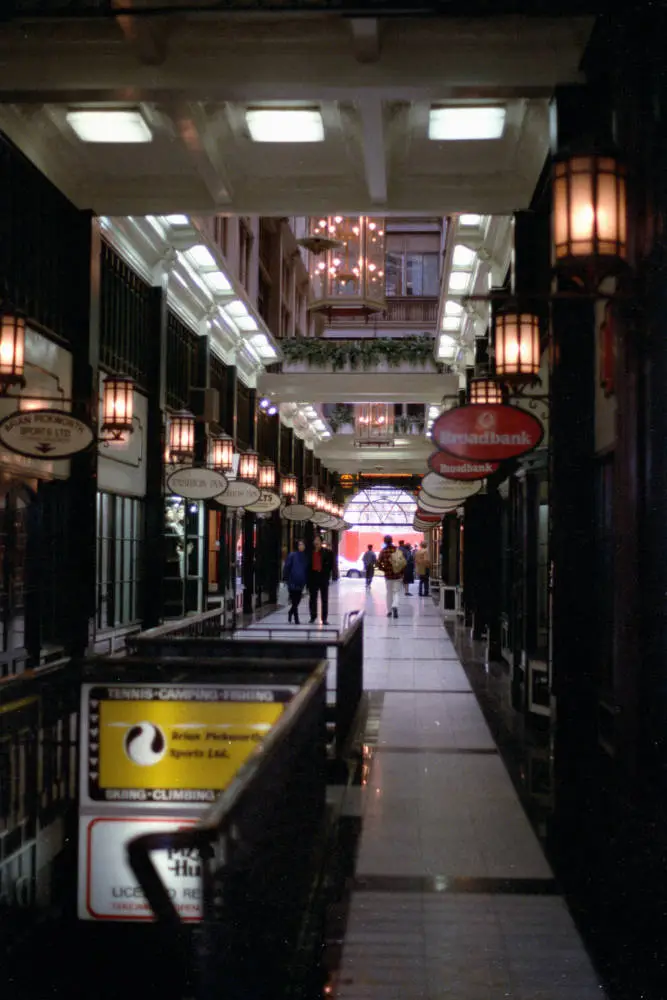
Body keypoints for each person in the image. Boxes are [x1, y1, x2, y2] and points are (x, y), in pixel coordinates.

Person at [378, 534, 405, 619]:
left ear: (384, 541)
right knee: (396, 592)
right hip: (397, 575)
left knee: (389, 593)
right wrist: (401, 572)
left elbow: (378, 563)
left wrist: (384, 569)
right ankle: (395, 606)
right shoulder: (397, 550)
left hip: (388, 576)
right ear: (392, 540)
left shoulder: (383, 551)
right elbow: (403, 563)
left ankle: (389, 611)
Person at [308, 534, 334, 624]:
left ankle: (324, 618)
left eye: (318, 540)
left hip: (323, 577)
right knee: (312, 598)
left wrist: (327, 574)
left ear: (321, 542)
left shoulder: (327, 552)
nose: (316, 542)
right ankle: (313, 616)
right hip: (313, 577)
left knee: (324, 599)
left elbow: (331, 565)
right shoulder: (310, 552)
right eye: (315, 540)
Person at [283, 540, 308, 624]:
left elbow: (306, 569)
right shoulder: (292, 555)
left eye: (303, 544)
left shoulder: (304, 556)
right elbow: (287, 567)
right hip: (292, 581)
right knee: (294, 600)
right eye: (300, 544)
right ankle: (296, 618)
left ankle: (290, 612)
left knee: (297, 600)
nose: (302, 546)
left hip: (300, 582)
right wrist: (286, 578)